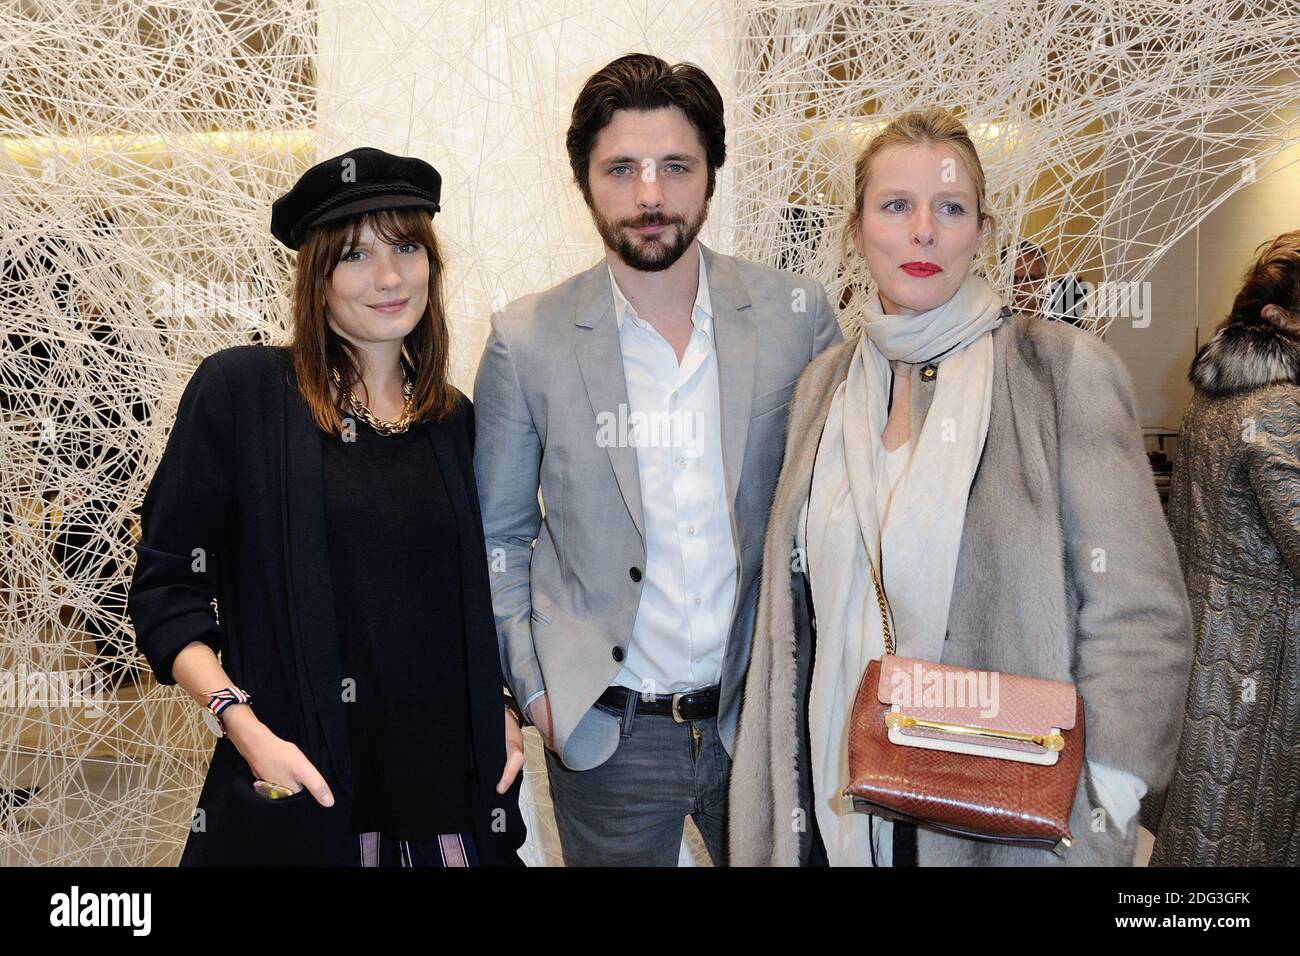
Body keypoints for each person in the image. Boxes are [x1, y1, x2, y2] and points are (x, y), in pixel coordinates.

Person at [729, 107, 1192, 867]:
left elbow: (1140, 617)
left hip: (1004, 820)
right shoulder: (821, 389)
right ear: (856, 229)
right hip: (834, 795)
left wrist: (1104, 798)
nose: (923, 232)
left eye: (950, 208)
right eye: (896, 206)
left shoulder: (1059, 373)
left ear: (981, 229)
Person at [473, 53, 841, 866]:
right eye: (622, 169)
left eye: (676, 166)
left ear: (709, 174)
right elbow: (499, 533)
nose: (649, 195)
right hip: (608, 733)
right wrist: (538, 692)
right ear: (586, 182)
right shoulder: (526, 340)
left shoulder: (796, 319)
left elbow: (837, 516)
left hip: (764, 725)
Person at [128, 147, 526, 866]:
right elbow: (166, 591)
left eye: (407, 246)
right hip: (306, 795)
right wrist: (241, 727)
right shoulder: (242, 394)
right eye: (354, 255)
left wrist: (496, 703)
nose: (388, 276)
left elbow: (469, 596)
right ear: (316, 278)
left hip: (449, 801)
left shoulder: (453, 421)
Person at [1149, 231, 1300, 866]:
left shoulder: (1216, 396)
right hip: (1260, 662)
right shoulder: (1282, 407)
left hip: (1206, 644)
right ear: (1277, 318)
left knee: (1204, 836)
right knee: (1243, 838)